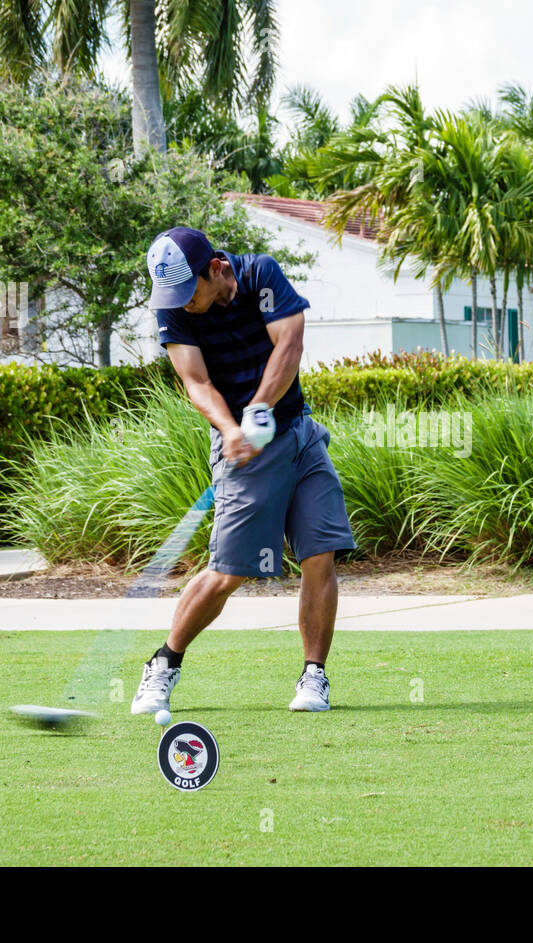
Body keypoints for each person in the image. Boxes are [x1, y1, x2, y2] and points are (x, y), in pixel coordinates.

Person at [130, 226, 355, 715]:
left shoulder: (260, 273)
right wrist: (232, 428)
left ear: (215, 268)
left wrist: (259, 407)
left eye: (189, 291)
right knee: (228, 573)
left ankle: (313, 676)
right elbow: (195, 380)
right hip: (242, 446)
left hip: (298, 435)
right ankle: (163, 664)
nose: (183, 304)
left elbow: (289, 344)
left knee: (320, 553)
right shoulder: (174, 310)